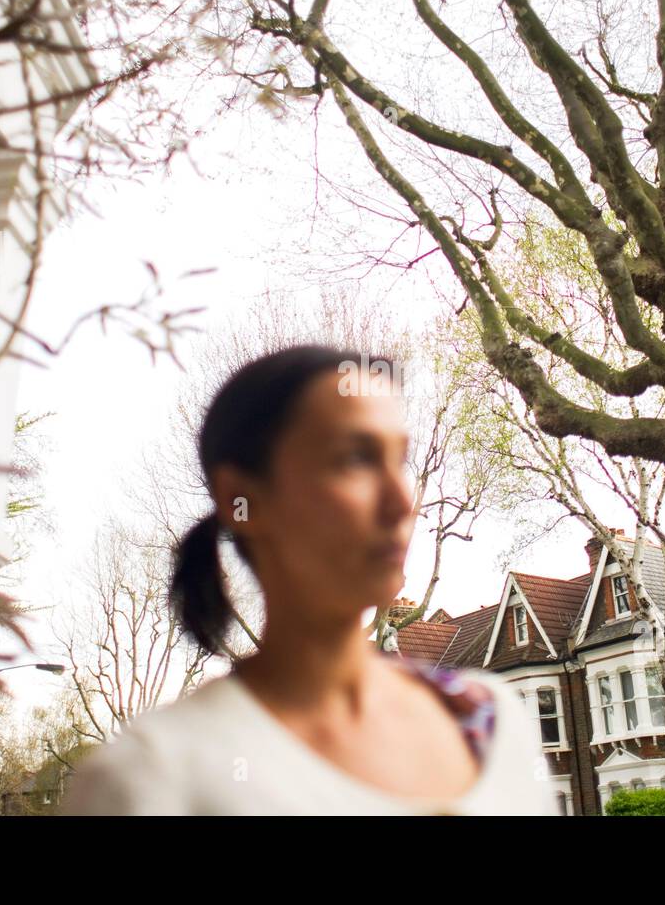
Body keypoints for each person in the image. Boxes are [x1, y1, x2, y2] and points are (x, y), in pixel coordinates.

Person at [63, 345, 558, 815]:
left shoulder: (495, 724)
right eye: (355, 459)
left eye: (399, 460)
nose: (402, 502)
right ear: (243, 497)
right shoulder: (152, 777)